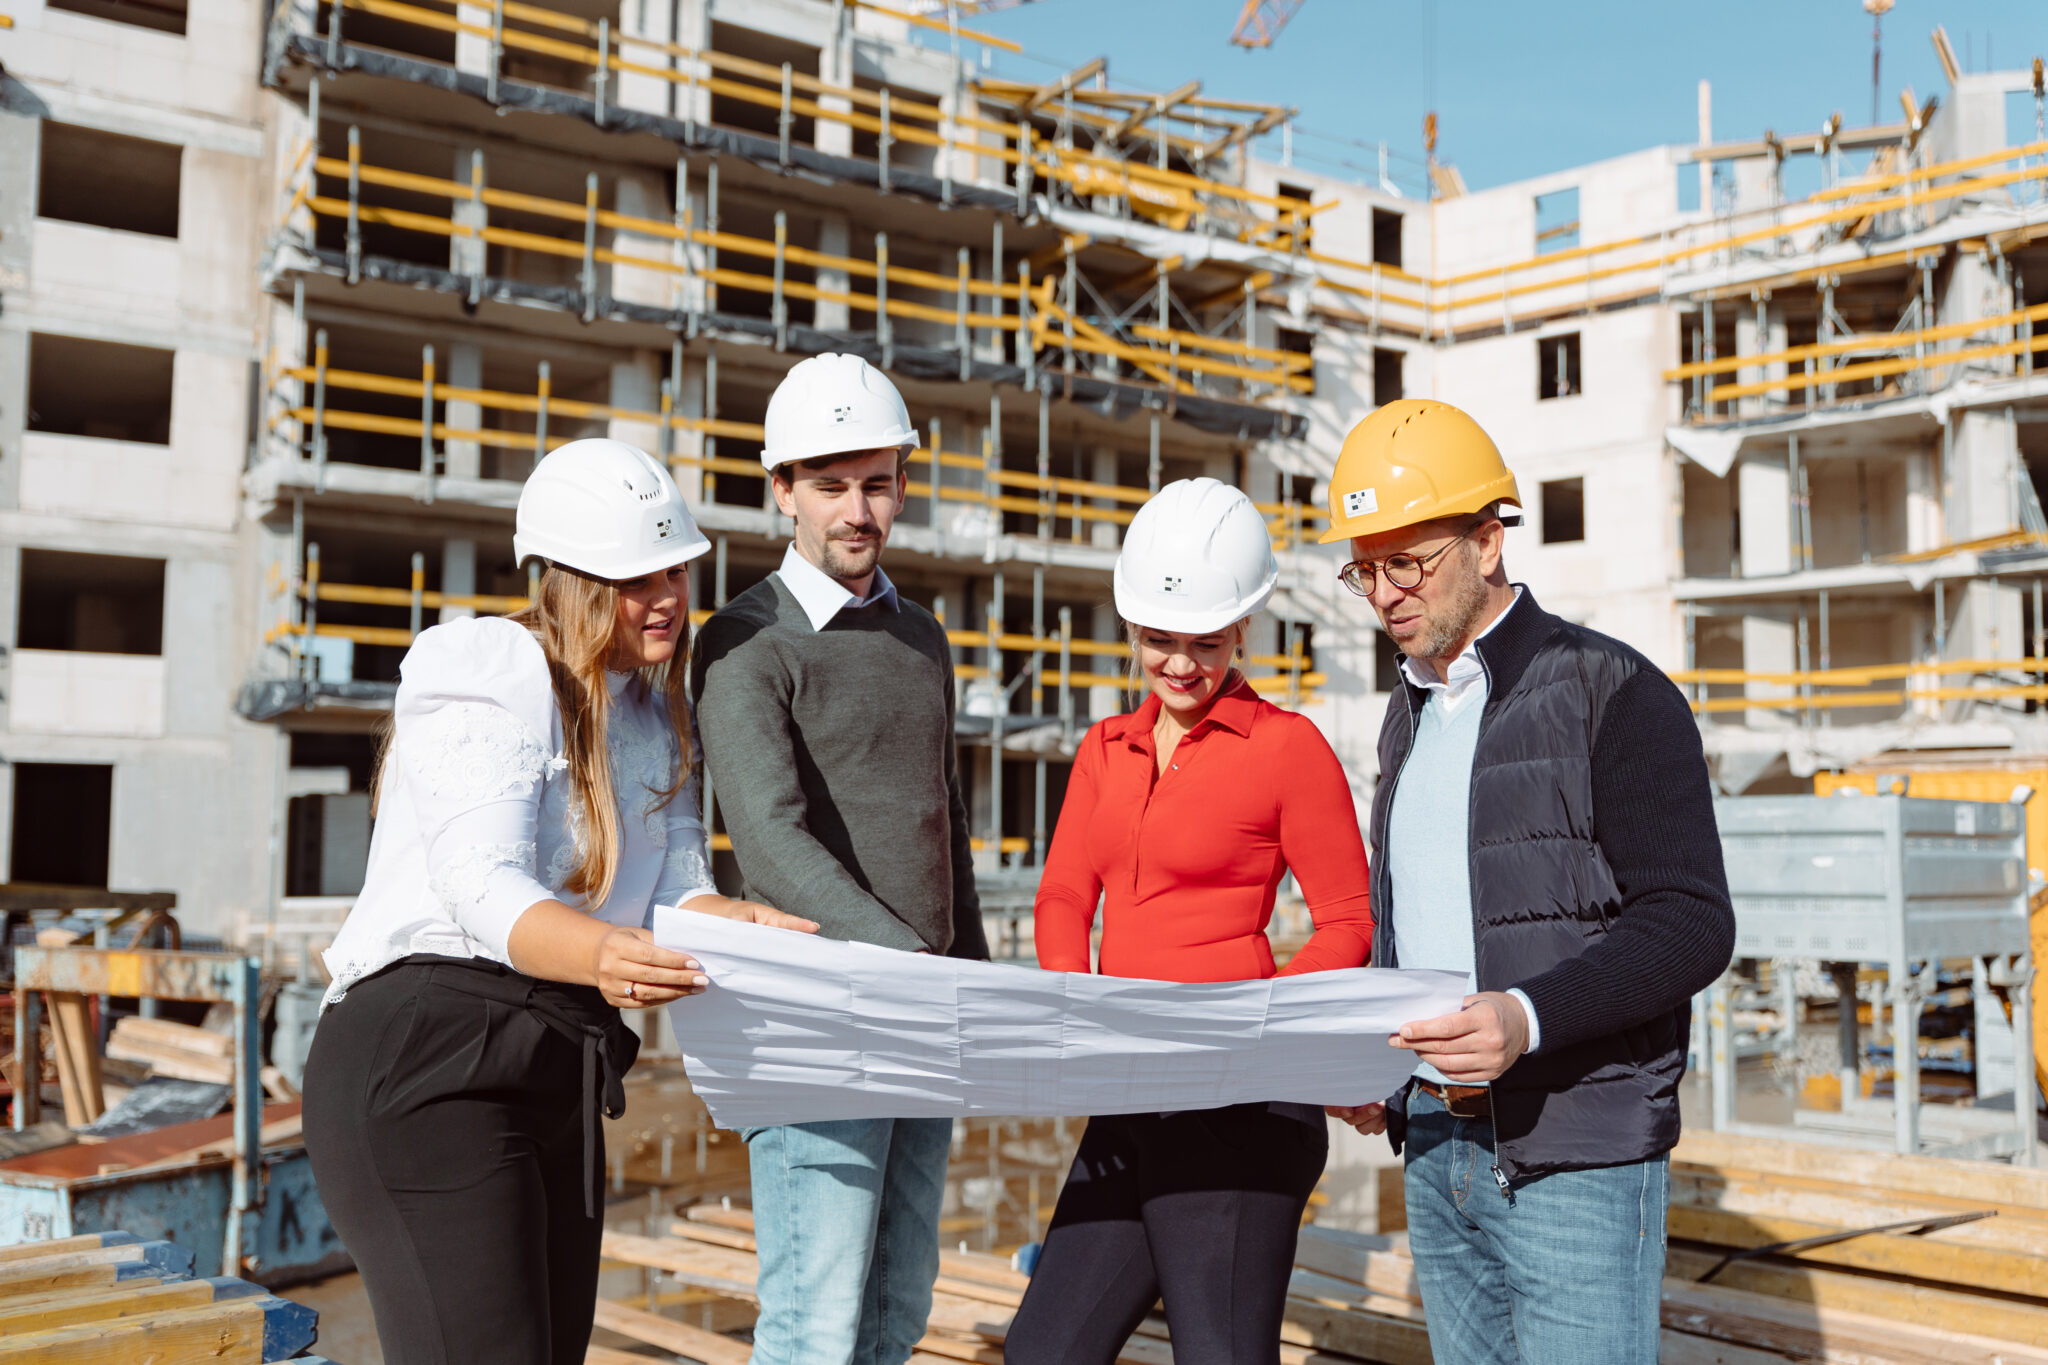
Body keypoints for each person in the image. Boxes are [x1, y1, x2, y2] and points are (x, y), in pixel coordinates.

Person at [303, 438, 812, 1365]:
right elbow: (481, 884)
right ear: (571, 581)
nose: (665, 595)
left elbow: (673, 894)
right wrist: (603, 958)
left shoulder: (657, 716)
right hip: (429, 1056)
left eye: (675, 570)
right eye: (635, 577)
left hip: (555, 1057)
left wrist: (742, 922)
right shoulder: (495, 667)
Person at [1318, 400, 1736, 1365]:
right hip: (1435, 1146)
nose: (1383, 593)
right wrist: (1379, 1067)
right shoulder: (1409, 711)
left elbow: (1690, 921)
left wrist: (1525, 1016)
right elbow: (1425, 921)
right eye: (1365, 569)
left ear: (1488, 540)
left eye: (1406, 563)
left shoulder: (1613, 690)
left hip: (1574, 1156)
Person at [1003, 478, 1375, 1365]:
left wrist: (1255, 1028)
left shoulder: (1289, 750)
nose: (1180, 663)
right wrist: (1079, 1004)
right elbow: (1062, 898)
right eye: (1159, 640)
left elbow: (1348, 921)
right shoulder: (1105, 749)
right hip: (1131, 1090)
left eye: (1205, 642)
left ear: (1243, 627)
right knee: (1042, 1354)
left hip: (1238, 1106)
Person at [690, 353, 989, 1365]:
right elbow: (768, 840)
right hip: (816, 1017)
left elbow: (941, 822)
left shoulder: (921, 637)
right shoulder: (743, 642)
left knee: (898, 1308)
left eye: (876, 483)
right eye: (829, 486)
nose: (856, 512)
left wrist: (972, 987)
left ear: (902, 483)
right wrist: (904, 966)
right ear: (781, 490)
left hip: (924, 1015)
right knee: (814, 1325)